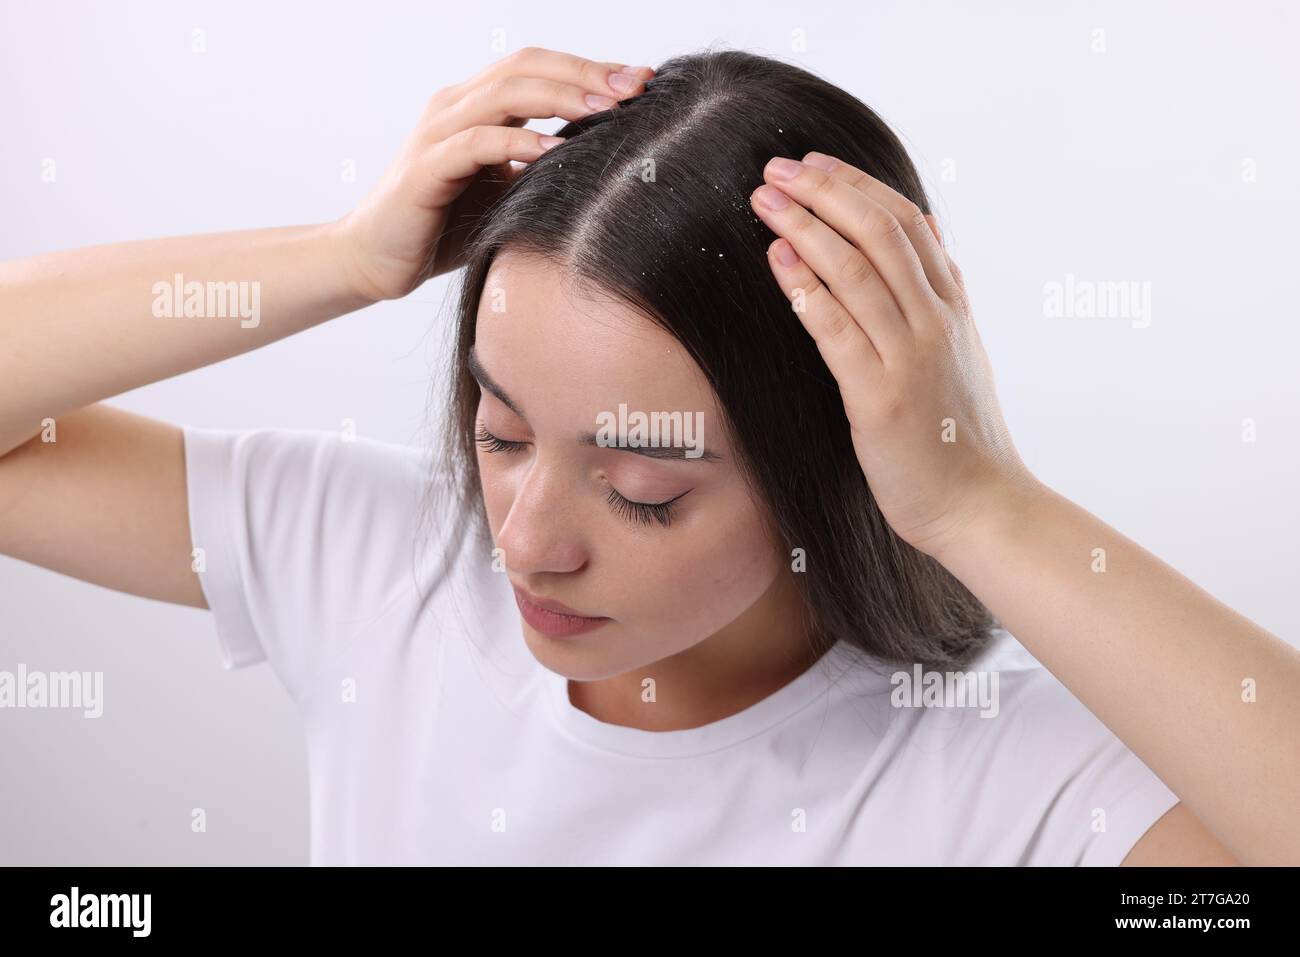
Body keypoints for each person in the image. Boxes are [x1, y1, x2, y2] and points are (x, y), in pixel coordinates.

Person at [1, 47, 1292, 865]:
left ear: (826, 462)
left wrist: (980, 502)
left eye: (643, 489)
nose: (525, 537)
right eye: (499, 432)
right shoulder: (372, 562)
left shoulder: (1008, 784)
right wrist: (342, 258)